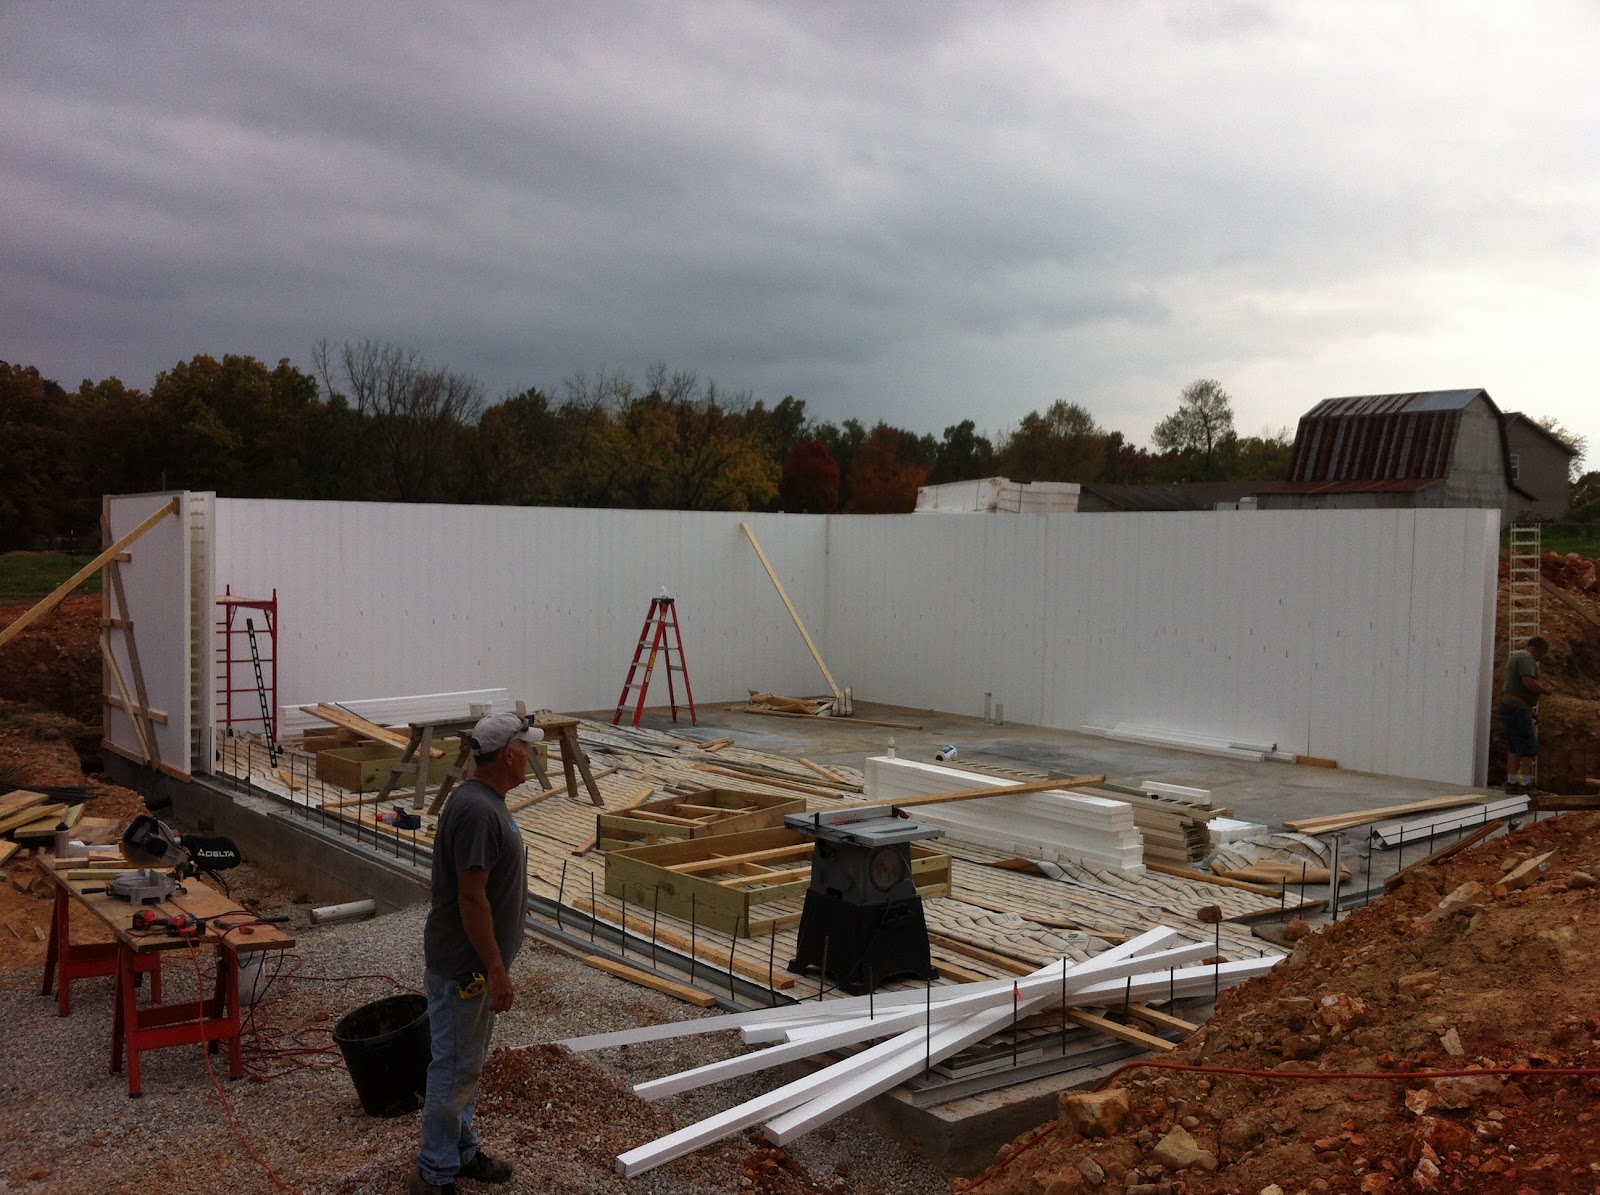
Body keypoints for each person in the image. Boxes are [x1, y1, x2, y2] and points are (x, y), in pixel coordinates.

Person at [410, 712, 542, 1195]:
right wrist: (495, 968)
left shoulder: (486, 802)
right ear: (508, 754)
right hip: (465, 965)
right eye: (526, 747)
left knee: (466, 1063)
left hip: (472, 964)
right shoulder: (478, 811)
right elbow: (471, 897)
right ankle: (435, 1172)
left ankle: (460, 1152)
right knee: (453, 1066)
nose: (531, 754)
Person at [1500, 635, 1551, 795]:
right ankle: (1526, 784)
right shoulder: (1526, 657)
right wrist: (1544, 690)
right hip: (1517, 707)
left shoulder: (1519, 656)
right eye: (1544, 652)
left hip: (1512, 706)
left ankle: (1512, 782)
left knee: (1515, 746)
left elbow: (1516, 689)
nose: (1542, 656)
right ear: (1538, 648)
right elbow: (1527, 682)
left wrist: (1529, 711)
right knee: (1528, 745)